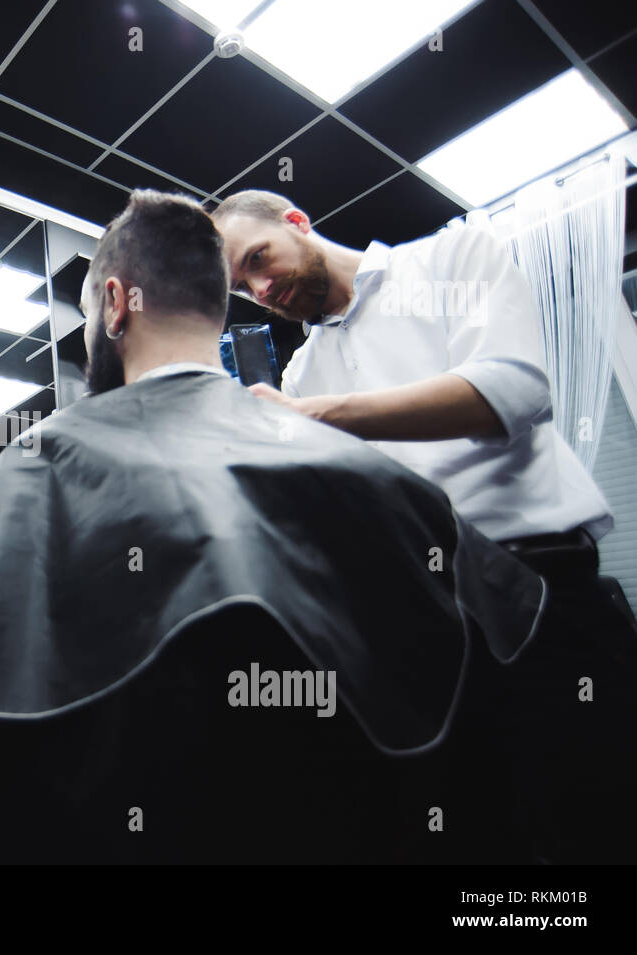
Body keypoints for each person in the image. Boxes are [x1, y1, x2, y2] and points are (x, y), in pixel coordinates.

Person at [0, 190, 557, 864]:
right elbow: (491, 682)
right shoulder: (387, 479)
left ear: (113, 304)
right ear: (218, 306)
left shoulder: (43, 464)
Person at [214, 189, 637, 859]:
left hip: (546, 597)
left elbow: (514, 390)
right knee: (498, 842)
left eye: (259, 258)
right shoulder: (300, 374)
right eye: (244, 287)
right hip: (426, 631)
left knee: (601, 813)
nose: (263, 288)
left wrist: (314, 417)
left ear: (299, 221)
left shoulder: (452, 256)